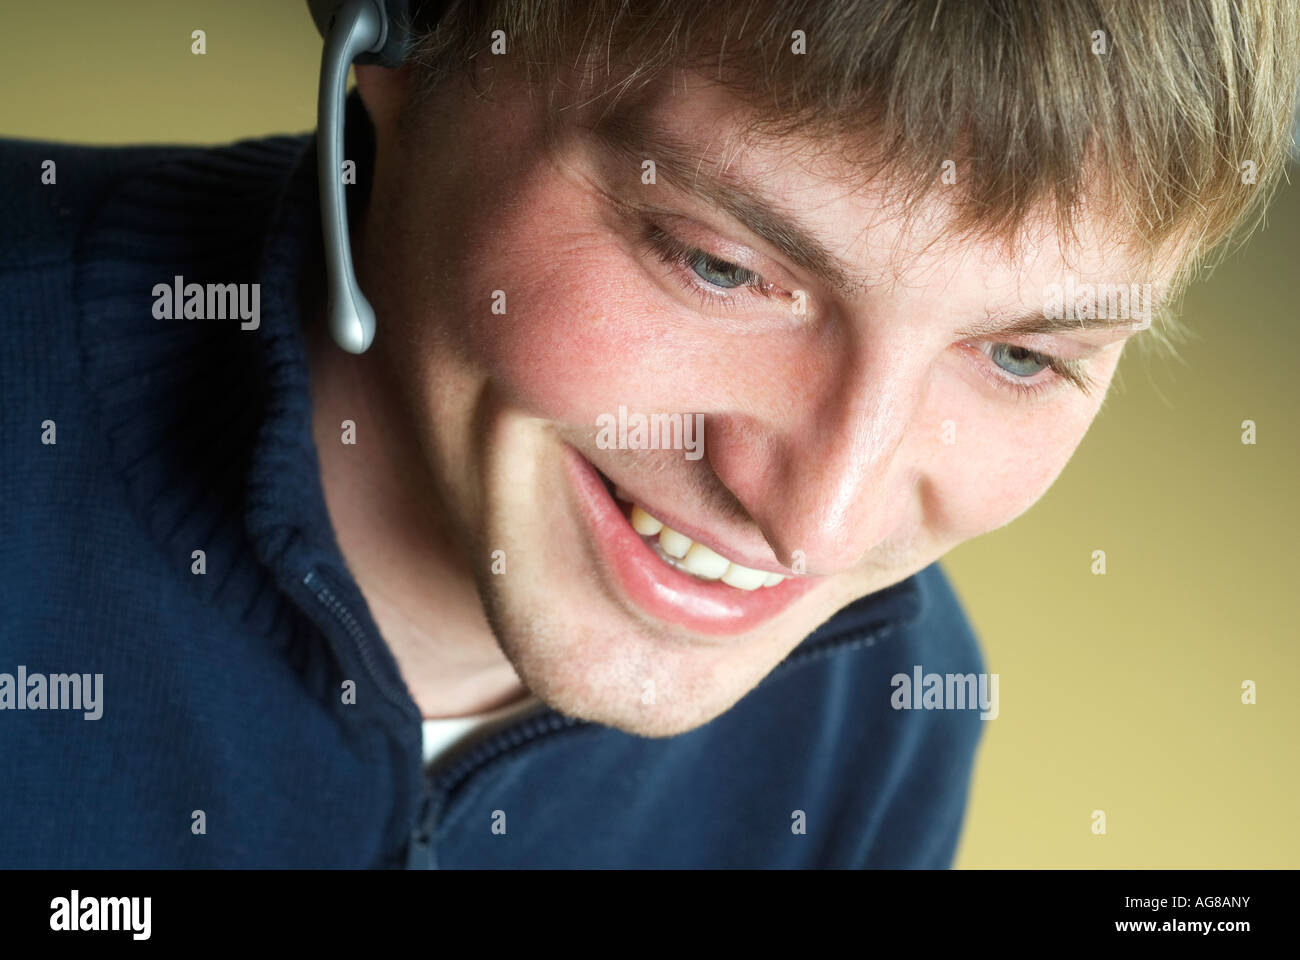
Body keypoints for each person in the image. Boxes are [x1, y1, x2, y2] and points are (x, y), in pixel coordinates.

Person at [1, 0, 1297, 868]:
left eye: (1021, 354)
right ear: (393, 39)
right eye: (720, 266)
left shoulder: (882, 722)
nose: (819, 520)